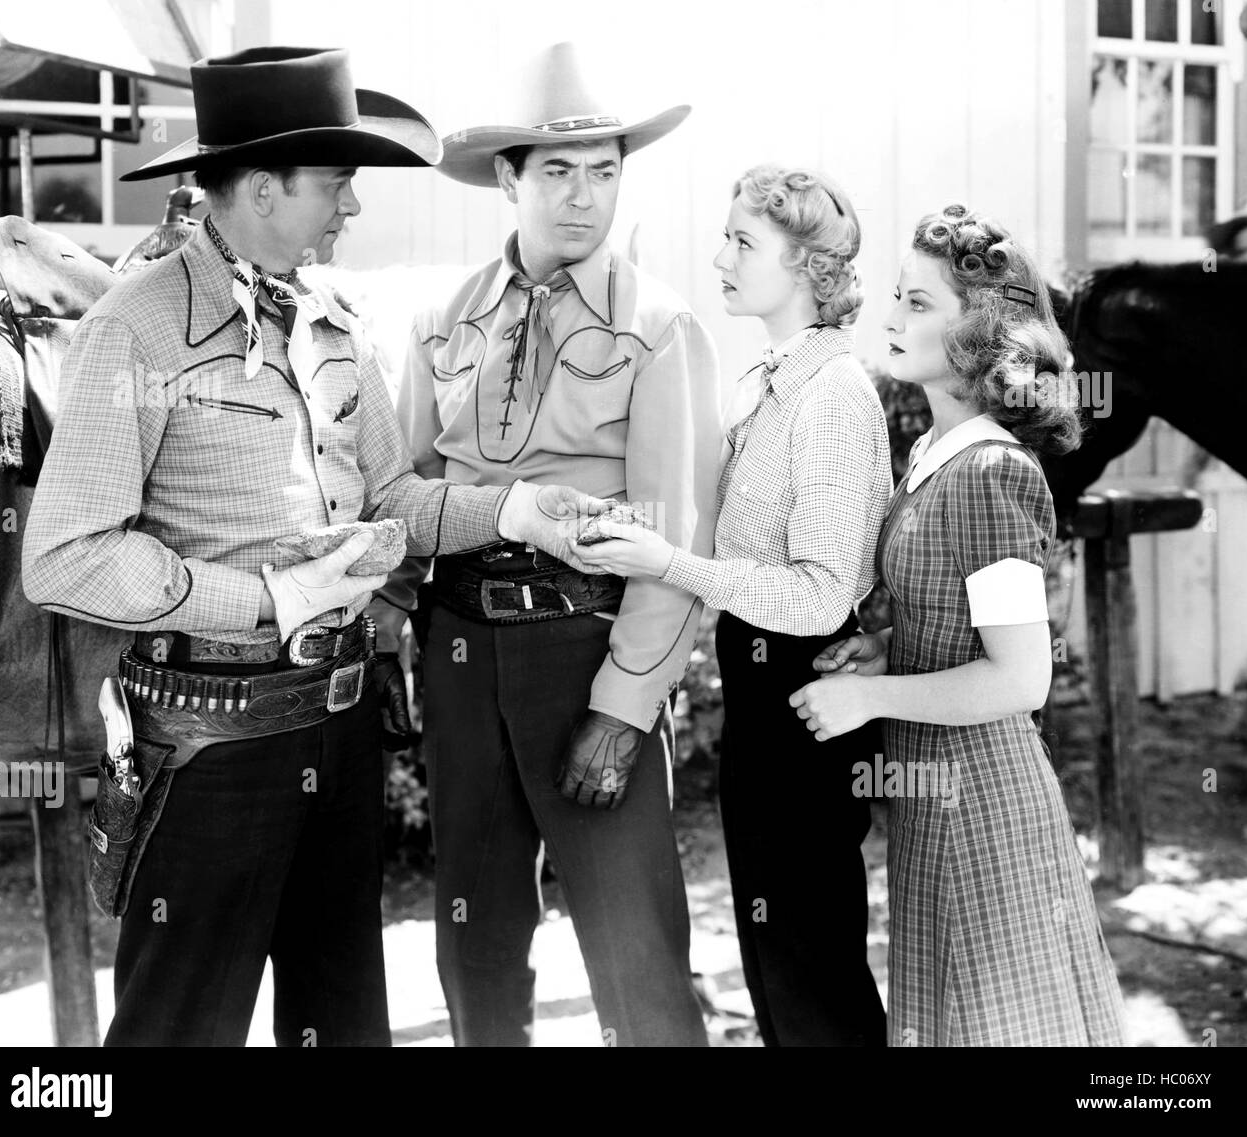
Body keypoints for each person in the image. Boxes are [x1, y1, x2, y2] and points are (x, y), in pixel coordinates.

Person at [22, 46, 601, 1048]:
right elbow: (66, 557)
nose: (353, 209)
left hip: (338, 730)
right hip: (211, 746)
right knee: (177, 1033)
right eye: (337, 184)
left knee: (341, 1027)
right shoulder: (138, 332)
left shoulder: (330, 319)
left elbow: (393, 504)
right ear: (259, 187)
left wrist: (512, 513)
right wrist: (266, 601)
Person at [380, 41, 723, 1047]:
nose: (584, 198)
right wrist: (398, 636)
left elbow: (675, 540)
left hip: (587, 645)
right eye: (559, 172)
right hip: (456, 648)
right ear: (508, 179)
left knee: (636, 955)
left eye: (605, 172)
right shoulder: (442, 321)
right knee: (475, 942)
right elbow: (406, 496)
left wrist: (623, 708)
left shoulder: (660, 328)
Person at [790, 203, 1128, 1046]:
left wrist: (871, 701)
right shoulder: (933, 457)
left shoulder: (988, 472)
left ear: (979, 337)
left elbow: (1021, 679)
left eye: (920, 303)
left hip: (984, 798)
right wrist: (886, 645)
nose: (893, 317)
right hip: (931, 787)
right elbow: (956, 619)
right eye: (897, 297)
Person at [579, 166, 892, 1046]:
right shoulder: (769, 373)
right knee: (778, 959)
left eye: (742, 242)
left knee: (811, 965)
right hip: (764, 690)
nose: (720, 256)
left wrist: (673, 564)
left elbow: (823, 590)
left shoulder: (830, 395)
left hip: (805, 692)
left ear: (805, 266)